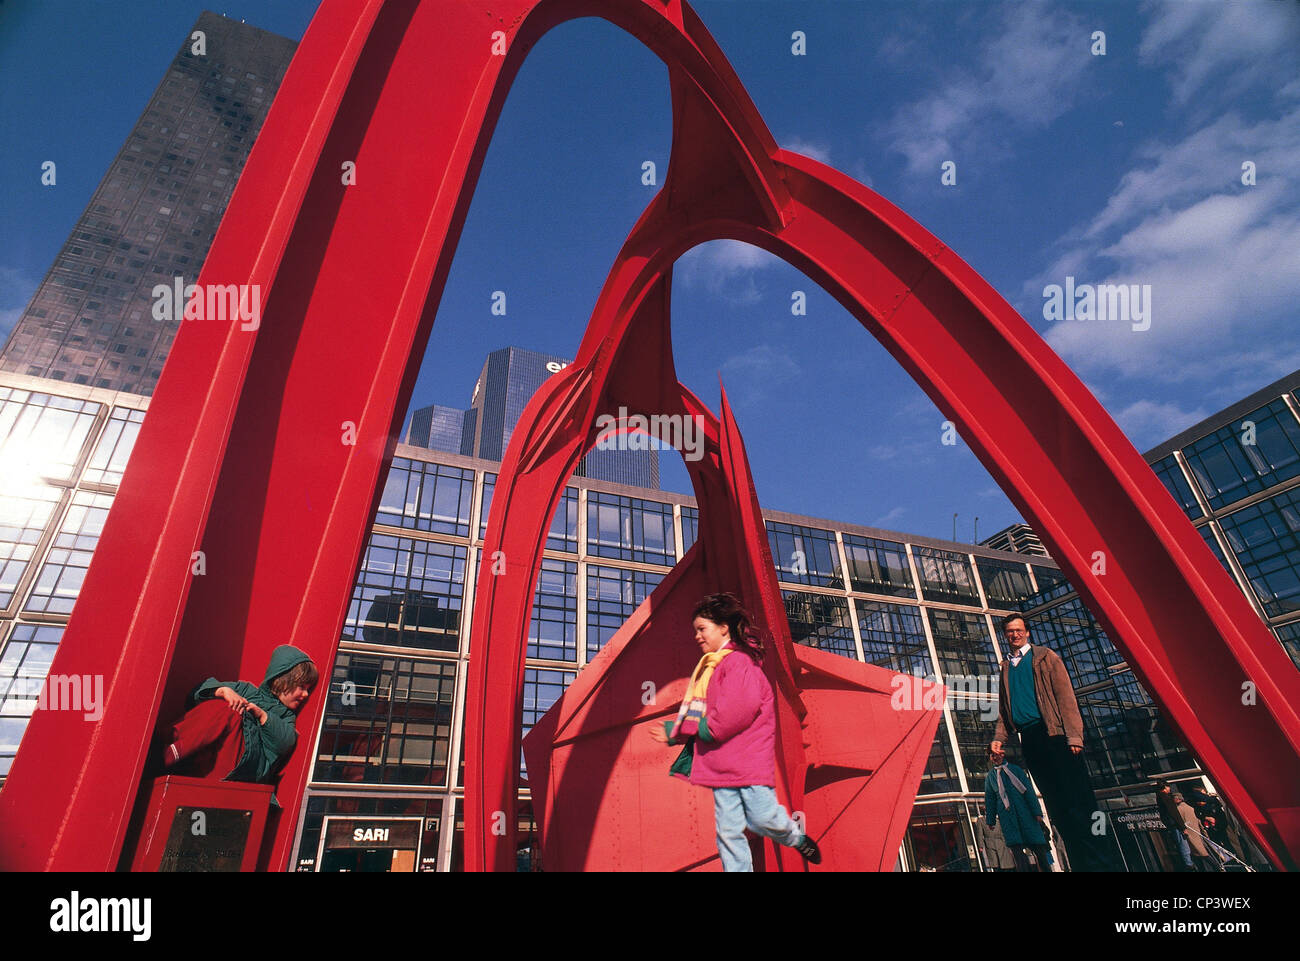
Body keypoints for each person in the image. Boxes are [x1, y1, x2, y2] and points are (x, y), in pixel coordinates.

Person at [649, 592, 822, 871]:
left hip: (747, 763)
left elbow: (727, 721)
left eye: (702, 629)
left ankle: (795, 837)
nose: (697, 636)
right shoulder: (713, 668)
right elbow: (706, 716)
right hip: (722, 766)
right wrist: (676, 733)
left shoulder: (738, 664)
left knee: (761, 819)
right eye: (696, 630)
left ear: (723, 628)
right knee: (728, 833)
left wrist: (675, 729)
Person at [989, 613, 1118, 871]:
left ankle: (1104, 864)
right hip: (1031, 741)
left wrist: (1074, 736)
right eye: (1009, 632)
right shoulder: (1006, 667)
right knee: (1058, 808)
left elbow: (1066, 697)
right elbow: (1005, 711)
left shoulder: (1046, 657)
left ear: (1027, 632)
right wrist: (999, 739)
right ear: (1005, 636)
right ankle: (1081, 865)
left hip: (1056, 736)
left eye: (1018, 630)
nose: (1014, 635)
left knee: (1079, 803)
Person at [160, 645, 318, 796]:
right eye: (302, 687)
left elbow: (285, 742)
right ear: (283, 680)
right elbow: (193, 697)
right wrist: (223, 691)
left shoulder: (286, 715)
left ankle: (162, 756)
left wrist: (262, 715)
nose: (305, 695)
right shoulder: (247, 690)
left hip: (249, 767)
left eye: (308, 690)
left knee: (230, 713)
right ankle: (166, 747)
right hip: (219, 759)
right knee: (217, 705)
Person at [984, 747, 1051, 871]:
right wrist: (991, 820)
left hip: (1026, 815)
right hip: (1008, 818)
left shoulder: (1016, 770)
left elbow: (1029, 792)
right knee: (1018, 855)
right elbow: (990, 800)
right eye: (992, 755)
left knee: (1039, 851)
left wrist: (1036, 812)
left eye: (997, 754)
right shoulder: (990, 777)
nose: (995, 757)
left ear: (1003, 754)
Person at [1155, 781, 1194, 871]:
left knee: (1181, 844)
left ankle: (1188, 863)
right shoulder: (1166, 798)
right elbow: (1174, 813)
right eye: (1168, 787)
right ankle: (1189, 864)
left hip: (1171, 825)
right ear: (1164, 788)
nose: (1169, 789)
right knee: (1183, 845)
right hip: (1175, 825)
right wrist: (1182, 827)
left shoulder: (1159, 798)